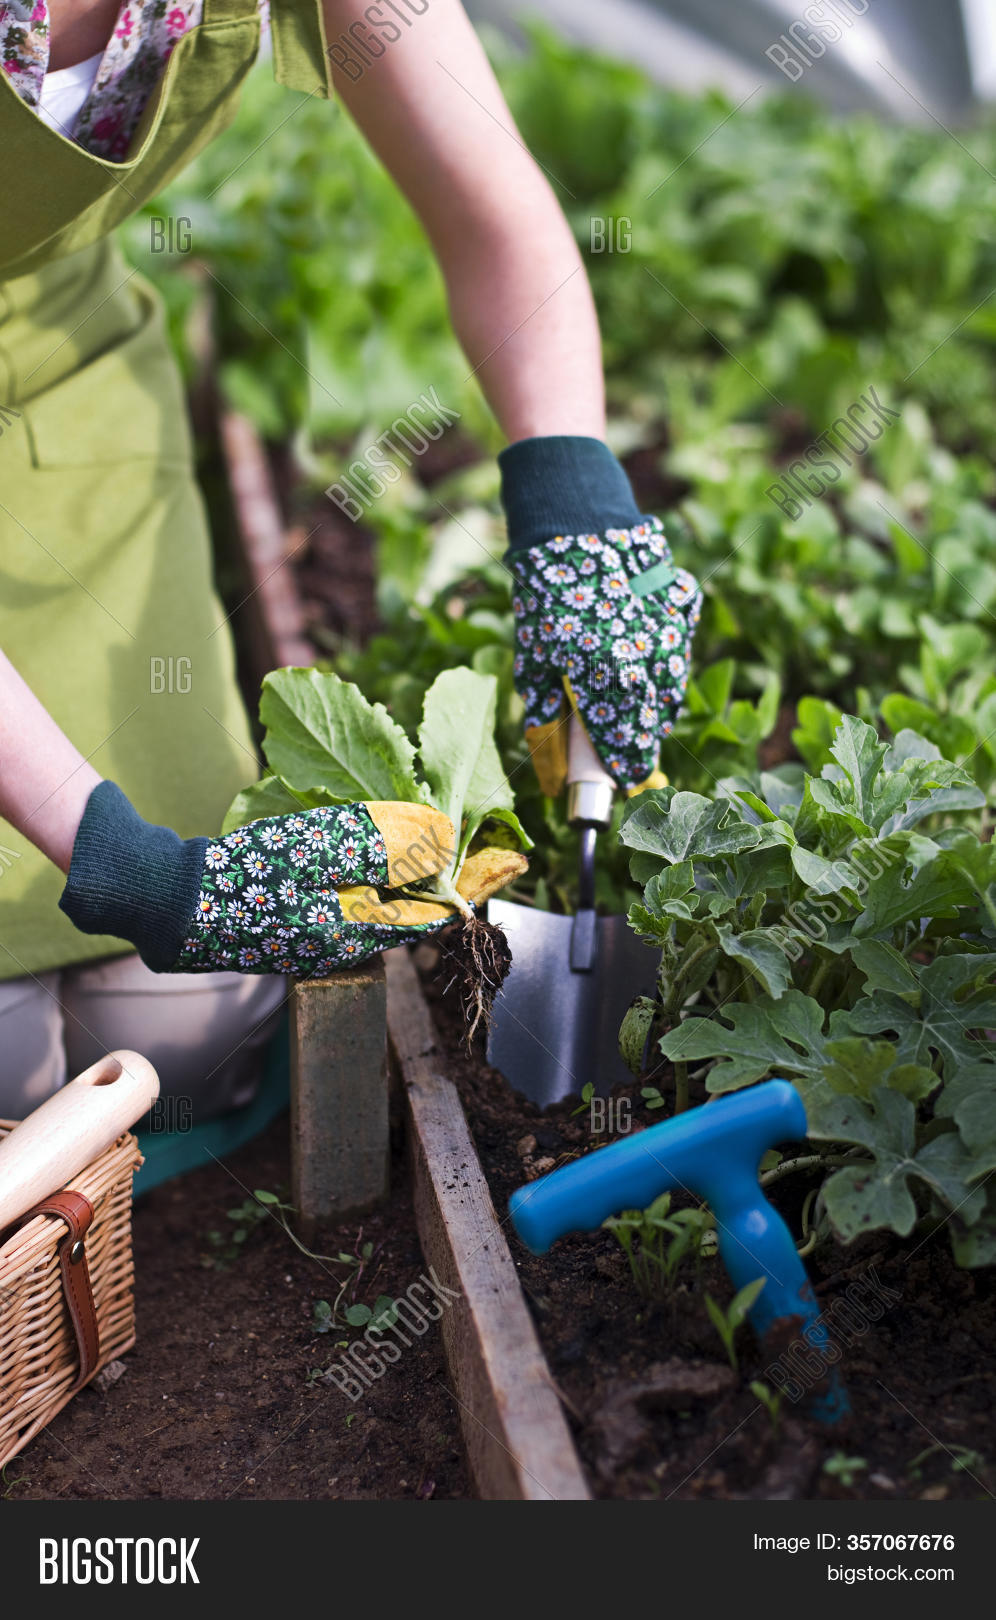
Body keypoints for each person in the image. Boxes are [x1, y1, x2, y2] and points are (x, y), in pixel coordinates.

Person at [0, 0, 700, 1122]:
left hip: (58, 366)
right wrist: (131, 867)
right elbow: (129, 868)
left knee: (184, 1034)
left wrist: (577, 510)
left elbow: (491, 209)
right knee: (9, 1066)